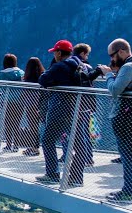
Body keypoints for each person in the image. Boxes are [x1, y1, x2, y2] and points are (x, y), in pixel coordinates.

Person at [35, 40, 95, 186]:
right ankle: (76, 178)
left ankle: (53, 174)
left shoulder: (60, 66)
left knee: (48, 140)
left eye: (55, 52)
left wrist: (53, 75)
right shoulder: (82, 65)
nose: (54, 55)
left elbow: (43, 80)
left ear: (59, 53)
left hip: (60, 109)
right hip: (79, 109)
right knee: (79, 145)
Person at [98, 39, 132, 203]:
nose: (111, 60)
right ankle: (128, 191)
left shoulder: (129, 67)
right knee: (131, 156)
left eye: (112, 56)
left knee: (128, 156)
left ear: (121, 51)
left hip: (127, 117)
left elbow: (115, 90)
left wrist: (108, 75)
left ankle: (129, 193)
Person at [0, 54, 26, 152]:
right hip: (20, 101)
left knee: (8, 123)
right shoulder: (21, 72)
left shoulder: (3, 73)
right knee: (17, 123)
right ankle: (16, 145)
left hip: (7, 102)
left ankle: (9, 145)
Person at [21, 56, 45, 155]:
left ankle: (34, 147)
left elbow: (24, 93)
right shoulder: (43, 76)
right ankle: (39, 147)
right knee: (43, 125)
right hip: (42, 104)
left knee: (33, 126)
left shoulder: (27, 79)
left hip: (31, 105)